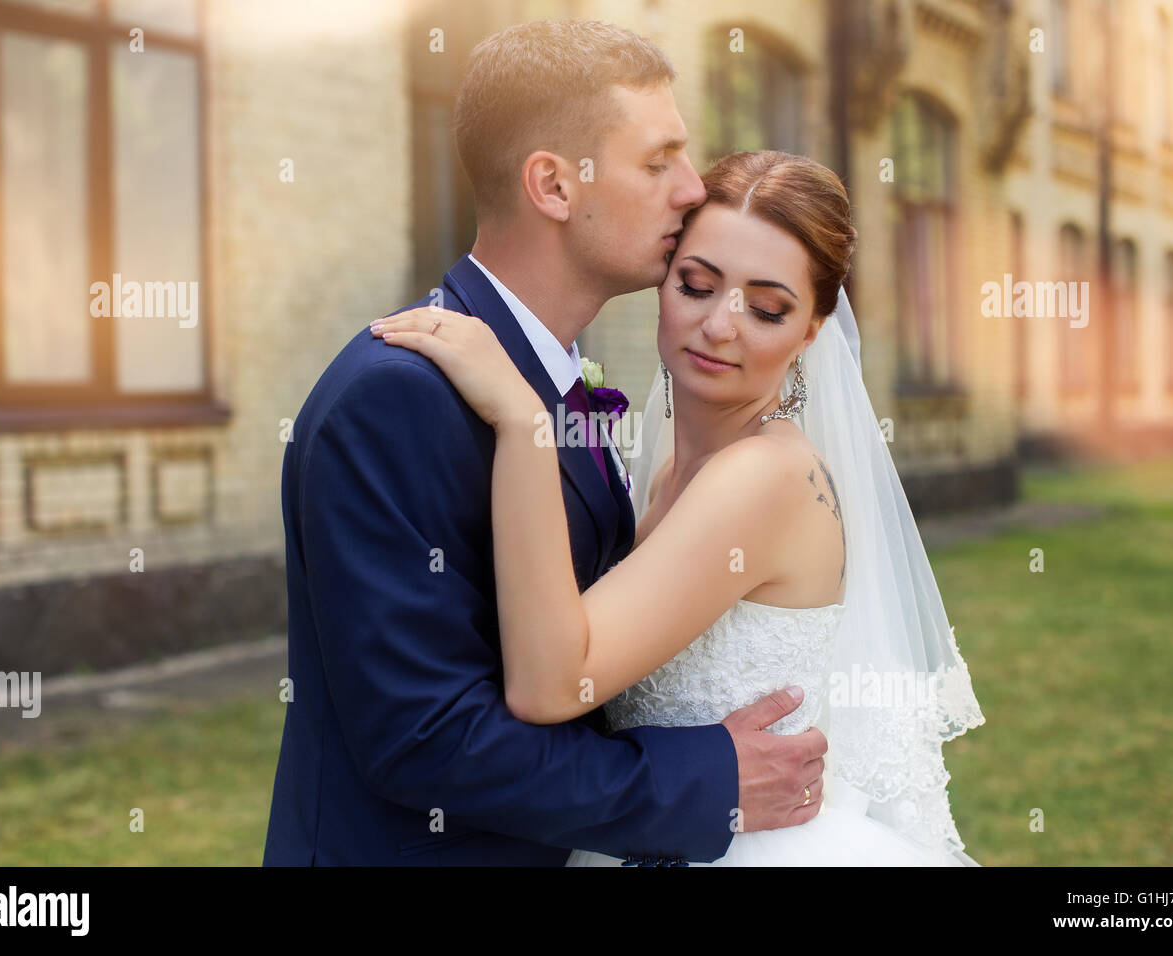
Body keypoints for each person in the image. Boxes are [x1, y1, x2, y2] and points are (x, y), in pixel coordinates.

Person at [263, 19, 827, 866]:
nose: (690, 190)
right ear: (554, 186)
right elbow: (427, 738)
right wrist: (704, 778)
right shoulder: (396, 399)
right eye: (657, 160)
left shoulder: (556, 384)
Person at [373, 147, 985, 865]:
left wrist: (521, 418)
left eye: (766, 308)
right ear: (664, 280)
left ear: (812, 330)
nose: (721, 326)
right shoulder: (665, 471)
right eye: (697, 285)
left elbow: (553, 685)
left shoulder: (765, 477)